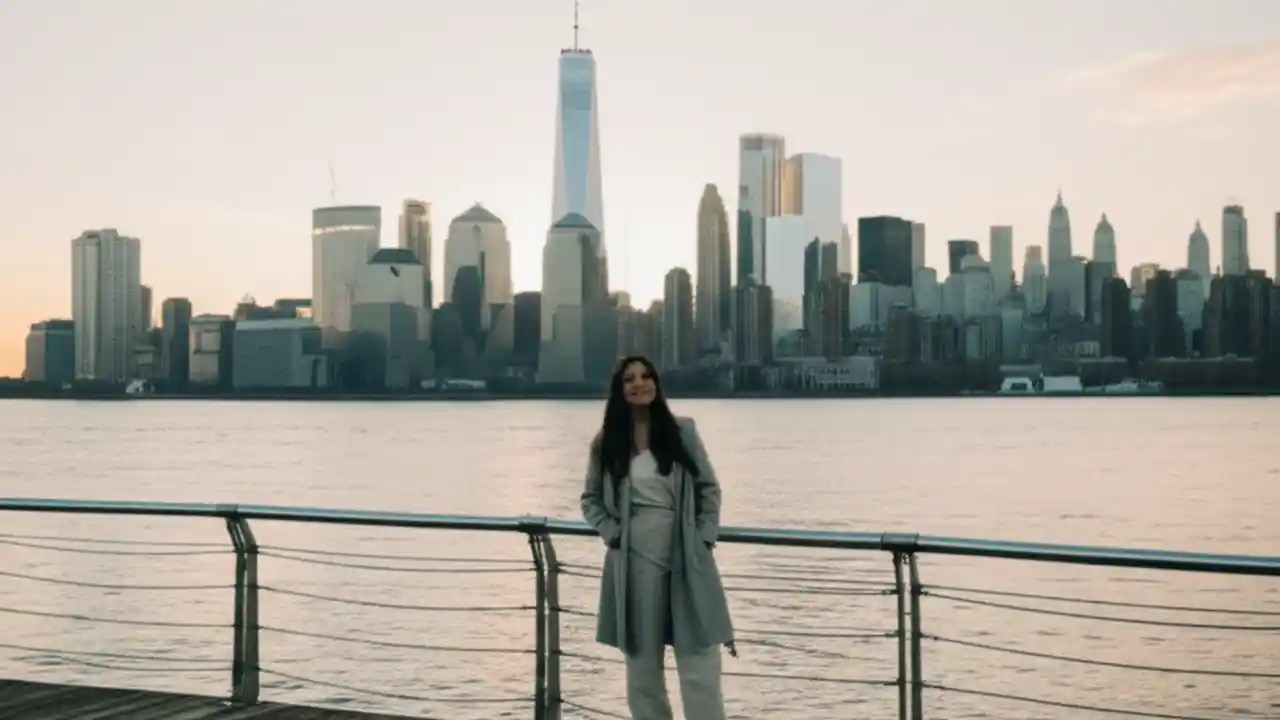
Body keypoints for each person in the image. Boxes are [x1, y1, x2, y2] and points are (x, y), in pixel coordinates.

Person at [580, 355, 735, 720]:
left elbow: (708, 489)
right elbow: (590, 500)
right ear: (619, 390)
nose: (640, 384)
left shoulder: (683, 430)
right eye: (629, 379)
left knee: (699, 663)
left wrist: (704, 538)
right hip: (634, 563)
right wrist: (612, 532)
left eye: (646, 376)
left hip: (686, 557)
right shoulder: (605, 444)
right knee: (642, 669)